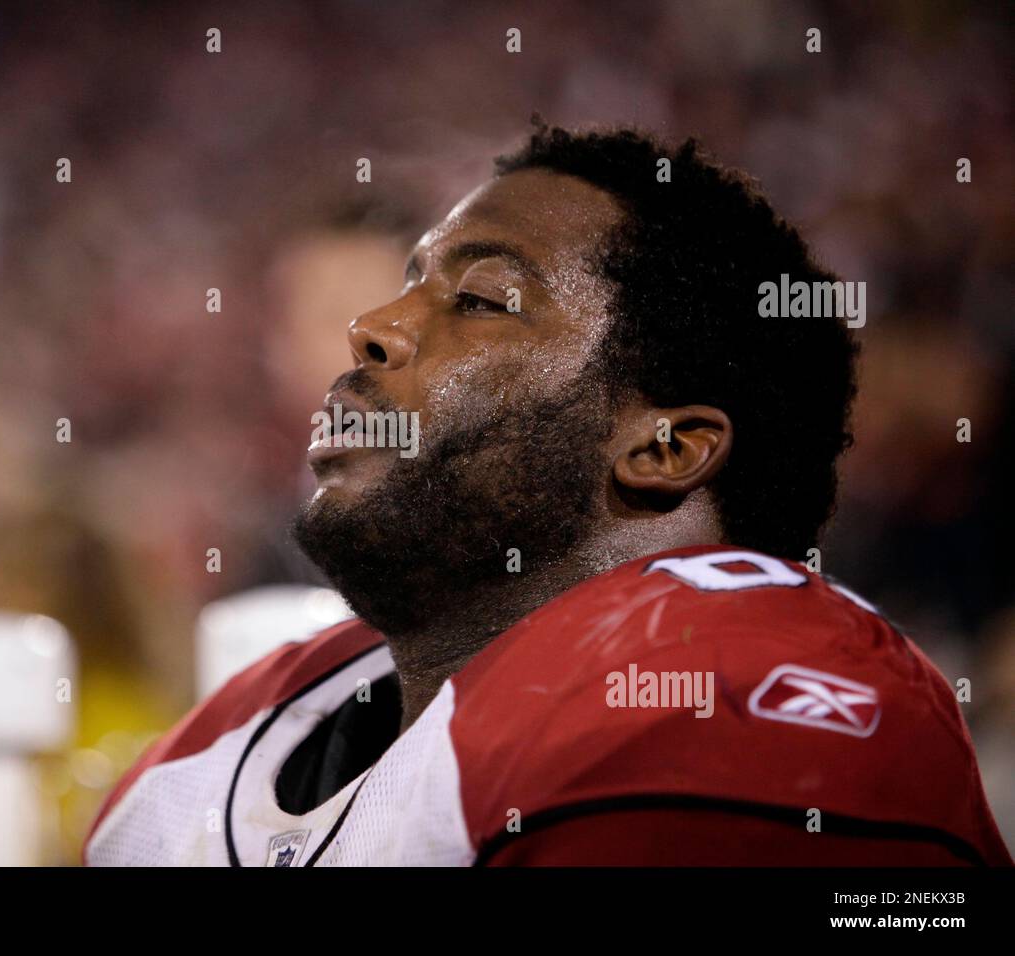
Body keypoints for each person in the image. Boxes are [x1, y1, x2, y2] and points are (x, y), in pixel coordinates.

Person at [85, 121, 1012, 866]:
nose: (369, 328)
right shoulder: (224, 744)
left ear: (666, 445)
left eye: (481, 300)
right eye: (409, 284)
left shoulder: (716, 701)